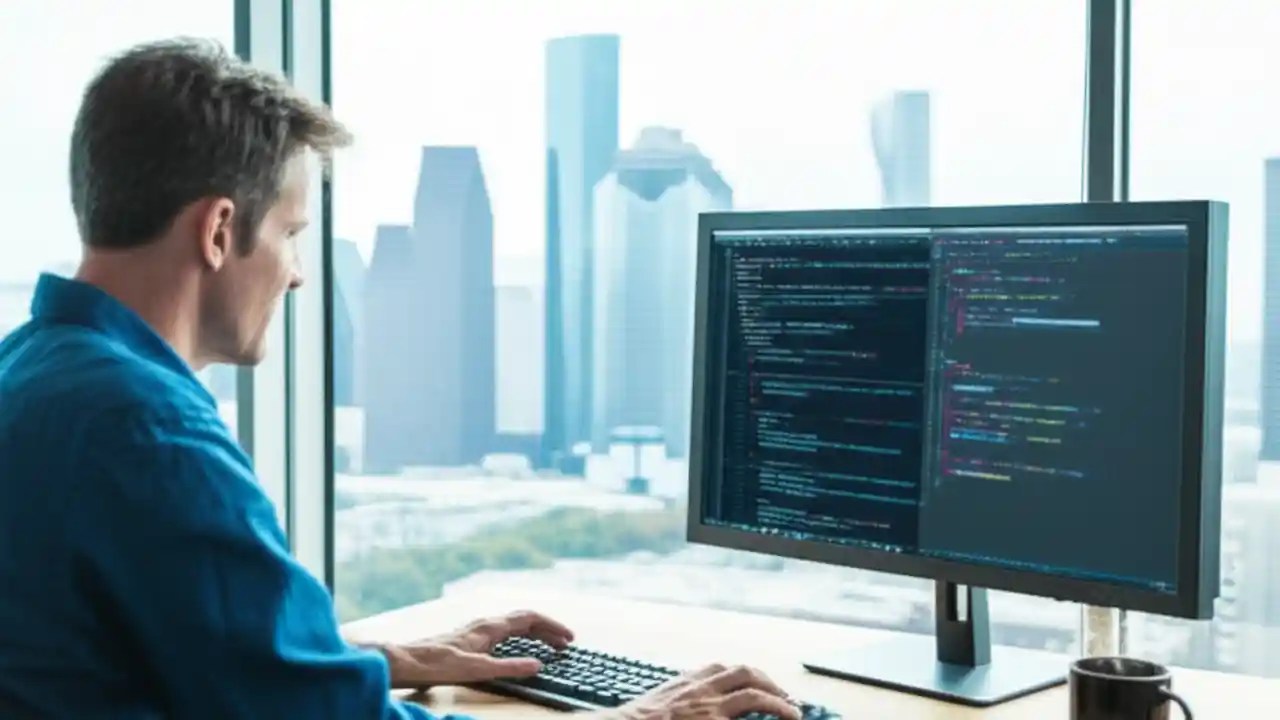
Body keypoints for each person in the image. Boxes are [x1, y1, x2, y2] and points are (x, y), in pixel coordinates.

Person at [0, 38, 801, 720]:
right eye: (291, 233)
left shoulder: (29, 370)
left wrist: (384, 655)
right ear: (218, 230)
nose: (296, 275)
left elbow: (182, 643)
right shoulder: (149, 431)